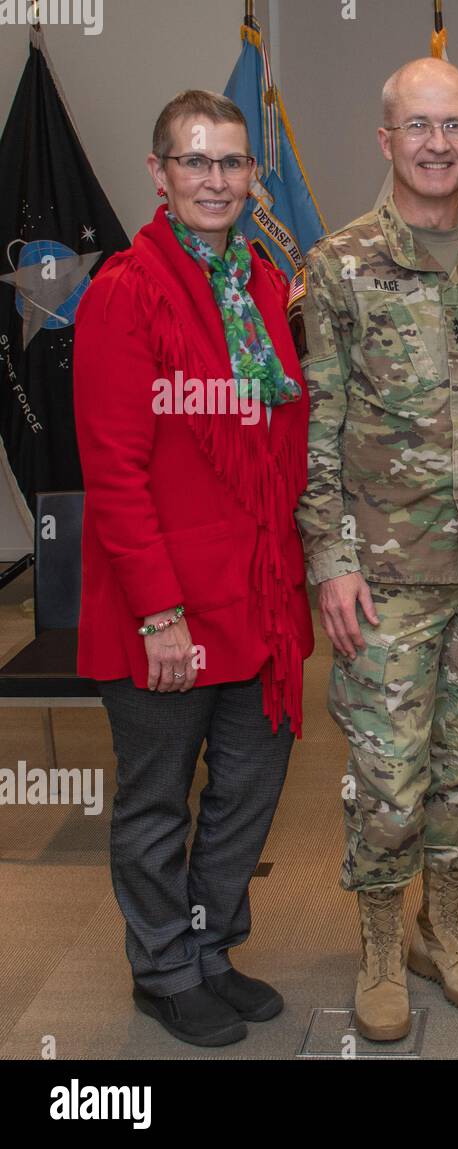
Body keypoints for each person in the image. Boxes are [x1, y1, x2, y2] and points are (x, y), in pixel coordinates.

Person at [295, 58, 458, 1039]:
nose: (439, 144)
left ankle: (440, 931)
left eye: (455, 126)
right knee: (388, 777)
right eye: (419, 127)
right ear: (387, 141)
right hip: (389, 580)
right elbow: (319, 424)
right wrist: (329, 559)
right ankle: (377, 948)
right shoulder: (338, 266)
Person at [73, 90, 313, 1046]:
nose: (216, 180)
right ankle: (163, 970)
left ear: (253, 176)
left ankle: (211, 948)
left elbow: (286, 436)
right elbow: (114, 473)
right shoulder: (125, 293)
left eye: (232, 163)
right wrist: (158, 615)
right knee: (156, 798)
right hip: (161, 608)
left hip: (258, 597)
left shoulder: (262, 284)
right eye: (196, 162)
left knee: (249, 790)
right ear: (159, 174)